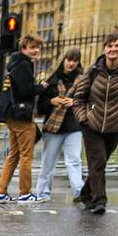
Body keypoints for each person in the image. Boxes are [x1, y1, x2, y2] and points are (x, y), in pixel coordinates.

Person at [73, 32, 118, 215]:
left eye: (117, 45)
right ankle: (99, 201)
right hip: (92, 125)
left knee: (100, 164)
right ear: (104, 48)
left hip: (115, 126)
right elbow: (79, 97)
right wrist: (83, 118)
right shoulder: (94, 70)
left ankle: (85, 193)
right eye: (109, 46)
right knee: (99, 161)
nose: (113, 49)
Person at [0, 34, 43, 205]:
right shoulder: (23, 65)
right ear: (23, 49)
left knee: (13, 154)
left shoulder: (15, 64)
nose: (35, 50)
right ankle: (25, 193)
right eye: (32, 47)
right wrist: (41, 87)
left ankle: (1, 192)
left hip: (11, 116)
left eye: (37, 47)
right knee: (26, 156)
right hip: (21, 116)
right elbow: (26, 90)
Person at [33, 47, 84, 203]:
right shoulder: (51, 80)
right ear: (63, 60)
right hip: (53, 127)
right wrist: (51, 101)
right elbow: (40, 107)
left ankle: (79, 193)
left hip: (74, 126)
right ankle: (42, 193)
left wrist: (74, 102)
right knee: (48, 162)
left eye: (75, 61)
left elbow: (88, 102)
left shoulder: (82, 80)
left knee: (74, 160)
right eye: (69, 60)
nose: (71, 63)